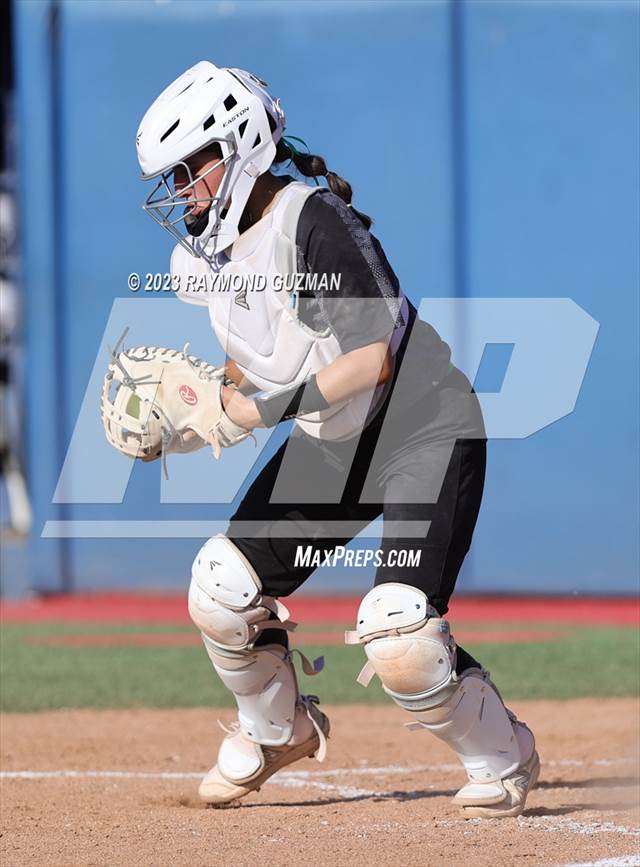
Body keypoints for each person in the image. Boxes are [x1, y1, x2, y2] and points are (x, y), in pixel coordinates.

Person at [135, 60, 539, 818]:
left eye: (193, 168)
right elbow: (254, 361)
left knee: (400, 633)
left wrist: (255, 414)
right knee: (221, 589)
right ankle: (276, 728)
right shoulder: (199, 261)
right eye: (173, 175)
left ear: (242, 144)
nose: (182, 190)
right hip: (337, 439)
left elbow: (372, 357)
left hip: (424, 423)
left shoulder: (310, 220)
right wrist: (188, 420)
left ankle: (502, 753)